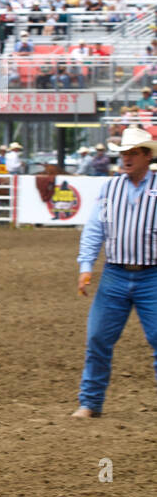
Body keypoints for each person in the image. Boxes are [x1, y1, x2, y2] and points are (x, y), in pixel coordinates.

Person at [74, 126, 157, 418]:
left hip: (153, 275)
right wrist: (86, 266)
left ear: (147, 156)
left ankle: (90, 402)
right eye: (124, 153)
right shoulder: (109, 188)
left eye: (133, 153)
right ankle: (90, 402)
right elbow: (94, 229)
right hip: (115, 273)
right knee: (97, 337)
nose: (126, 158)